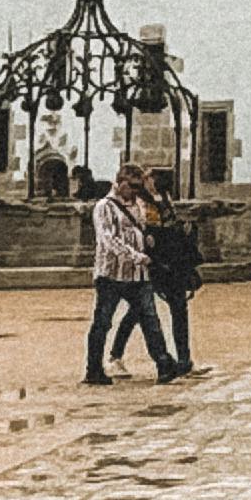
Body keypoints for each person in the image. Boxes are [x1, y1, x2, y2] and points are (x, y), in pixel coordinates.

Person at [85, 163, 176, 387]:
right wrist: (135, 255)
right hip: (111, 274)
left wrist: (146, 239)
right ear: (121, 182)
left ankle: (163, 364)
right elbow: (108, 239)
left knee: (150, 320)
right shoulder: (104, 207)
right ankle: (93, 368)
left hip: (138, 275)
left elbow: (140, 228)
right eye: (133, 186)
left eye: (138, 187)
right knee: (103, 321)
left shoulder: (138, 205)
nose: (135, 191)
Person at [112, 175, 201, 381]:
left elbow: (170, 223)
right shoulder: (139, 201)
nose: (153, 179)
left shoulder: (164, 197)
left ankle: (184, 359)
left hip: (172, 260)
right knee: (138, 310)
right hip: (152, 261)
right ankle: (115, 355)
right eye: (149, 176)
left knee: (179, 308)